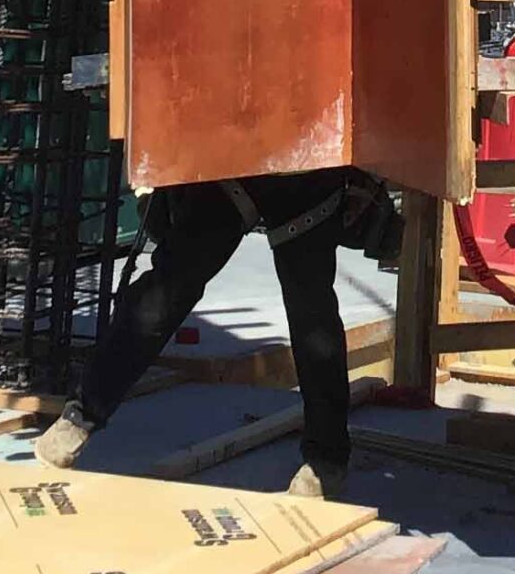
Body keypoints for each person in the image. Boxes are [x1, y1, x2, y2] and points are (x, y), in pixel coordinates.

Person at [36, 169, 390, 493]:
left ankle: (326, 457)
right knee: (165, 291)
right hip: (229, 159)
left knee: (311, 311)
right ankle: (81, 415)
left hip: (307, 170)